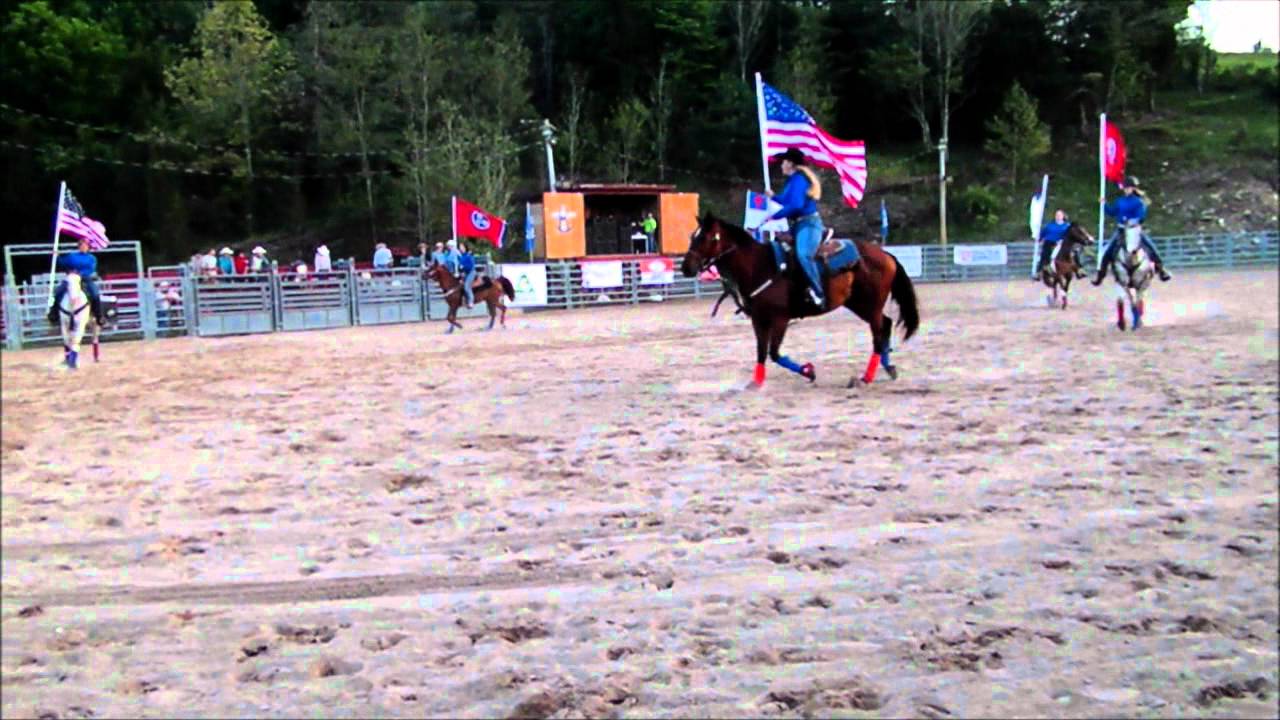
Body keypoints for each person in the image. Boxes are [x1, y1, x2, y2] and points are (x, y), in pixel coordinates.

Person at [765, 147, 855, 307]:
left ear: (791, 164)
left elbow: (796, 205)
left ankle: (819, 293)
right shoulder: (793, 181)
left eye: (784, 162)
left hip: (808, 224)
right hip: (799, 224)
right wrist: (774, 197)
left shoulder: (799, 180)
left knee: (804, 254)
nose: (781, 165)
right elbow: (788, 201)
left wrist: (774, 216)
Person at [1093, 177, 1171, 285]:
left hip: (1134, 230)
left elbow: (1141, 216)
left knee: (1150, 246)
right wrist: (1104, 204)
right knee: (1108, 251)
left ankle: (1161, 269)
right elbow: (1112, 212)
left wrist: (1132, 221)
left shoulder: (1138, 202)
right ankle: (1101, 274)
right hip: (1121, 230)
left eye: (1128, 188)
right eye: (1125, 188)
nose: (1126, 190)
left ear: (1133, 188)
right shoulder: (1120, 201)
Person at [47, 238, 106, 326]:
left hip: (85, 278)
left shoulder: (91, 258)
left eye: (85, 245)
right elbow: (63, 262)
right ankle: (54, 313)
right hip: (71, 277)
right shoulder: (72, 256)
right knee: (59, 291)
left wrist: (80, 273)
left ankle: (99, 315)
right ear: (78, 246)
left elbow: (91, 269)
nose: (83, 247)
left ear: (88, 247)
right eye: (81, 245)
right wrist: (57, 256)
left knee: (94, 293)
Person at [1033, 209, 1072, 279]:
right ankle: (1039, 273)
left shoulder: (1067, 226)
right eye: (1056, 215)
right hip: (1049, 243)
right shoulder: (1050, 225)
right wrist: (1039, 239)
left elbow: (1069, 236)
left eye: (1059, 215)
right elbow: (1042, 233)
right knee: (1044, 257)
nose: (1058, 216)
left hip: (1060, 244)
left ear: (1063, 216)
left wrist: (1062, 240)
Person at [458, 242, 477, 308]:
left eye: (462, 247)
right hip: (465, 273)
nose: (460, 248)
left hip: (471, 272)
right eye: (460, 247)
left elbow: (471, 266)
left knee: (466, 286)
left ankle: (471, 301)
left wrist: (462, 267)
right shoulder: (462, 256)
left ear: (465, 248)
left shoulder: (469, 256)